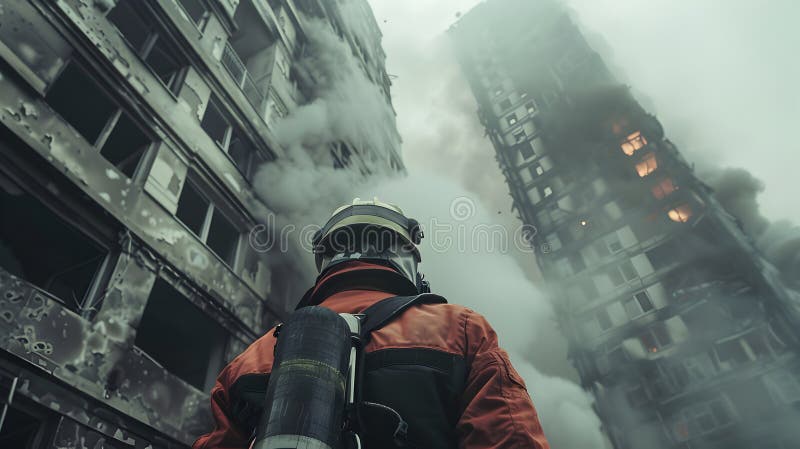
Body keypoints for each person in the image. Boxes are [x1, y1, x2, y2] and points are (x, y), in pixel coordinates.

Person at [193, 199, 550, 449]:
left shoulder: (253, 359)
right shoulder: (461, 330)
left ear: (325, 260)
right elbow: (511, 439)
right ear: (406, 256)